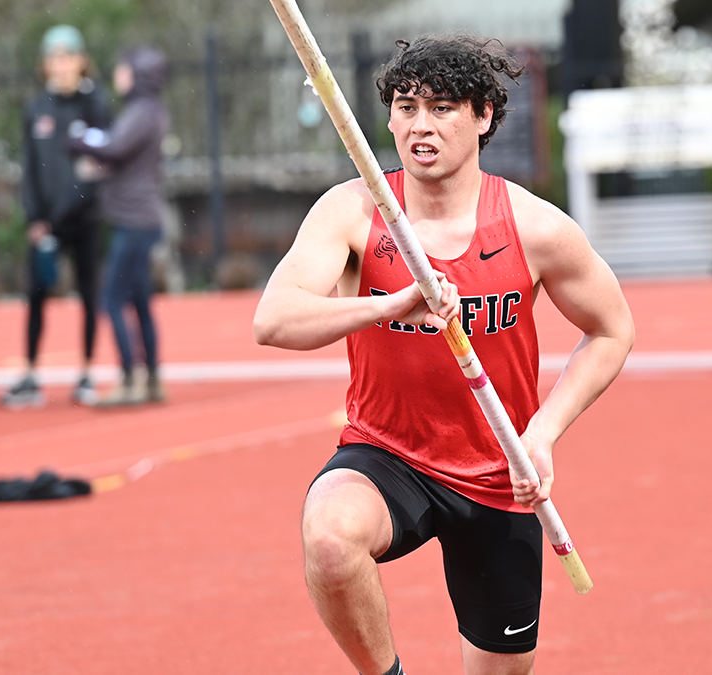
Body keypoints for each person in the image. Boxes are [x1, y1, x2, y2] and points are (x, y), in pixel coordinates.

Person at [253, 33, 635, 675]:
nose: (419, 126)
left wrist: (542, 436)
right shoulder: (352, 212)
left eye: (443, 108)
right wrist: (386, 304)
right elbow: (275, 320)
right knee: (329, 536)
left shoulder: (535, 227)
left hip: (498, 469)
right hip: (387, 452)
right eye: (406, 107)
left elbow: (612, 330)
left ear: (484, 116)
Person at [0, 25, 111, 410]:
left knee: (88, 294)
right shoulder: (36, 109)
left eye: (68, 58)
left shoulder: (96, 105)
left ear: (82, 62)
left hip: (83, 218)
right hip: (45, 224)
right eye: (53, 59)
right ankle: (30, 374)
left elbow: (98, 168)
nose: (60, 66)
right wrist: (35, 219)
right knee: (36, 295)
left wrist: (71, 208)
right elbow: (29, 168)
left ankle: (85, 373)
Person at [67, 46, 169, 407]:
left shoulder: (141, 112)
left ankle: (129, 378)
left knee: (111, 298)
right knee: (139, 300)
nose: (118, 76)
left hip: (134, 219)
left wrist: (79, 140)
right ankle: (153, 377)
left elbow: (113, 149)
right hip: (140, 217)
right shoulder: (148, 111)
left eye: (124, 69)